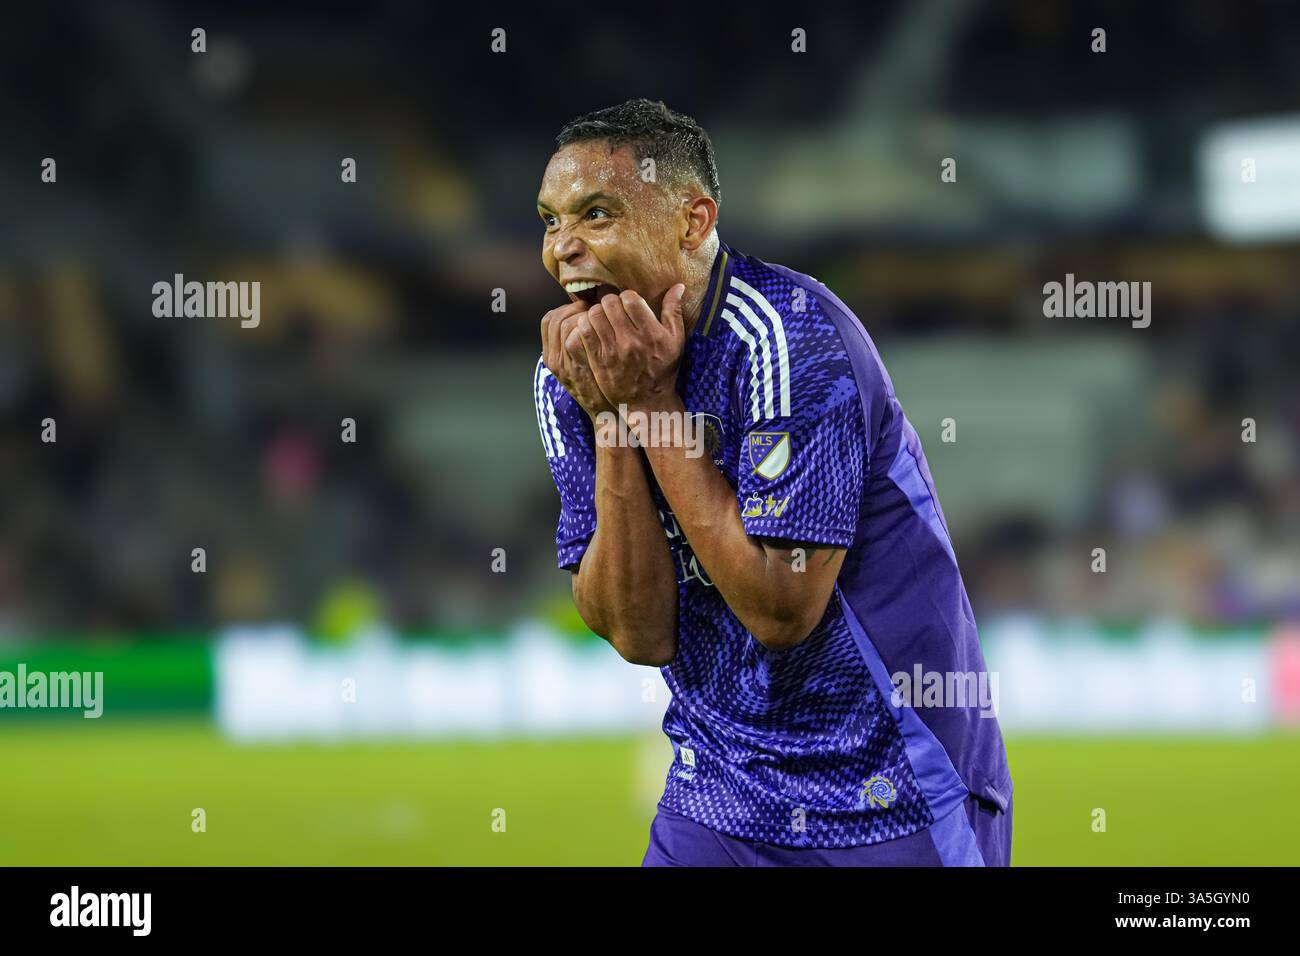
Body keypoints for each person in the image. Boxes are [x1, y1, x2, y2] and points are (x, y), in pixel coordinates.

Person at [534, 99, 1011, 866]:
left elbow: (782, 608)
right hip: (717, 793)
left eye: (596, 214)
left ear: (693, 221)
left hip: (889, 790)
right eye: (550, 222)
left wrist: (652, 404)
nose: (564, 250)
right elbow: (637, 631)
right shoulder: (571, 374)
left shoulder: (791, 339)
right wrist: (617, 417)